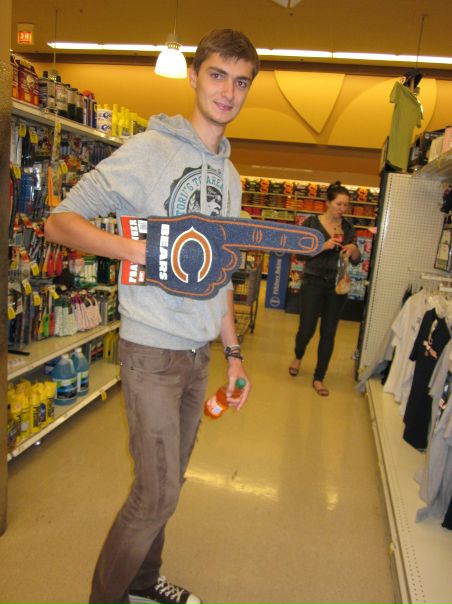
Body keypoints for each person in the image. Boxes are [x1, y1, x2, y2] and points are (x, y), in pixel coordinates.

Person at [44, 29, 259, 604]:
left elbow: (220, 277)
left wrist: (233, 355)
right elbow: (59, 222)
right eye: (218, 75)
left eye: (241, 82)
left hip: (197, 356)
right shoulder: (150, 151)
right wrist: (135, 250)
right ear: (194, 76)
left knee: (169, 484)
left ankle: (142, 582)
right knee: (155, 494)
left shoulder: (231, 179)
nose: (228, 92)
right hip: (152, 352)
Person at [288, 182, 361, 396]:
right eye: (338, 204)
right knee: (307, 328)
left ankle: (319, 377)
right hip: (313, 282)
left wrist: (354, 250)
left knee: (329, 332)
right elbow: (299, 254)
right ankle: (298, 355)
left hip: (337, 285)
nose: (342, 208)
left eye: (345, 205)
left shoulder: (348, 228)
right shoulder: (312, 224)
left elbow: (356, 260)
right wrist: (321, 247)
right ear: (327, 203)